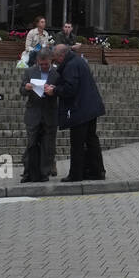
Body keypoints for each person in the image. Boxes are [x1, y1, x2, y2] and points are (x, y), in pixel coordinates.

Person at [49, 43, 106, 182]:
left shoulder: (71, 65)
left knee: (77, 143)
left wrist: (54, 90)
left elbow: (70, 88)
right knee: (91, 140)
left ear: (62, 55)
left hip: (80, 110)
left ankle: (76, 174)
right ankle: (97, 172)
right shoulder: (77, 60)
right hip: (91, 107)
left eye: (55, 58)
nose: (54, 61)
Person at [20, 49, 58, 182]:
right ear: (37, 62)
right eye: (41, 64)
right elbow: (22, 90)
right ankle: (28, 172)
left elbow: (62, 91)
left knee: (47, 145)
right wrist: (27, 88)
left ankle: (44, 173)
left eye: (46, 64)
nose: (43, 67)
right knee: (31, 143)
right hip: (33, 113)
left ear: (51, 61)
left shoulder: (56, 73)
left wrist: (53, 91)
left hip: (49, 113)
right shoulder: (30, 71)